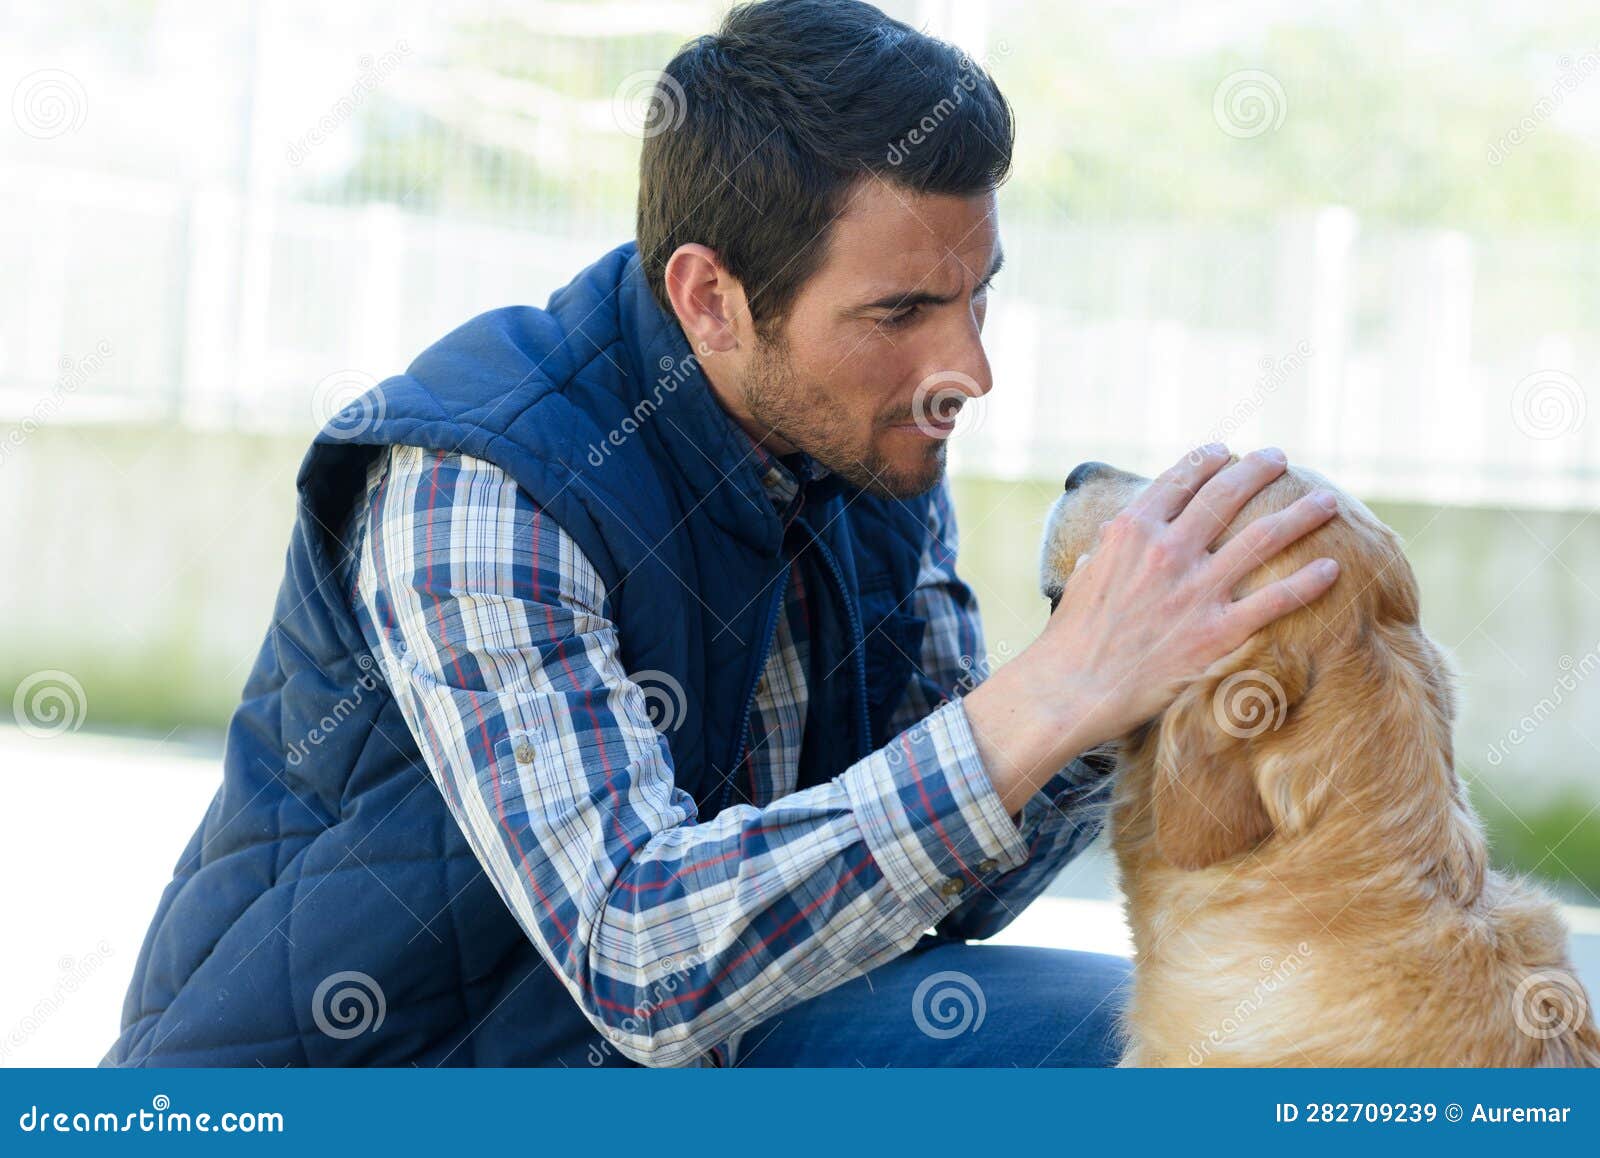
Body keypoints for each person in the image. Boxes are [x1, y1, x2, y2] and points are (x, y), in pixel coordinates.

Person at [105, 0, 1338, 1068]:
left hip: (687, 1058)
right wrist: (1052, 694)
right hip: (392, 1078)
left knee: (1259, 1043)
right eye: (901, 310)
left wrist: (1120, 691)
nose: (966, 367)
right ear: (711, 299)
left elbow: (950, 885)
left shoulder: (870, 443)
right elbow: (639, 953)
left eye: (977, 295)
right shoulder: (483, 489)